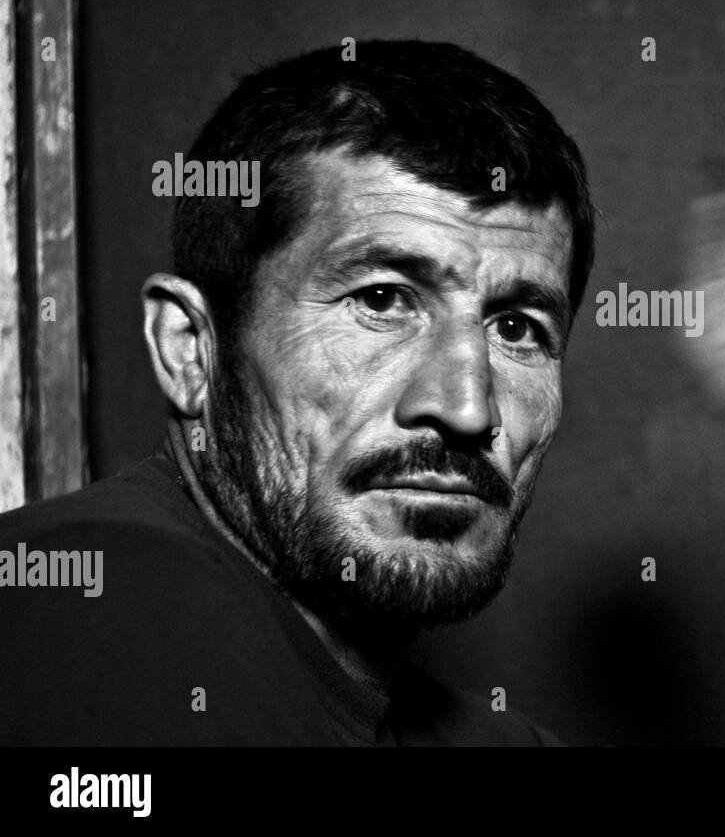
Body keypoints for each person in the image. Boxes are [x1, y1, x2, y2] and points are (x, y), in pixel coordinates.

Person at [0, 40, 595, 745]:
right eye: (381, 299)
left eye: (517, 327)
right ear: (190, 349)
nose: (468, 407)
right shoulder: (84, 602)